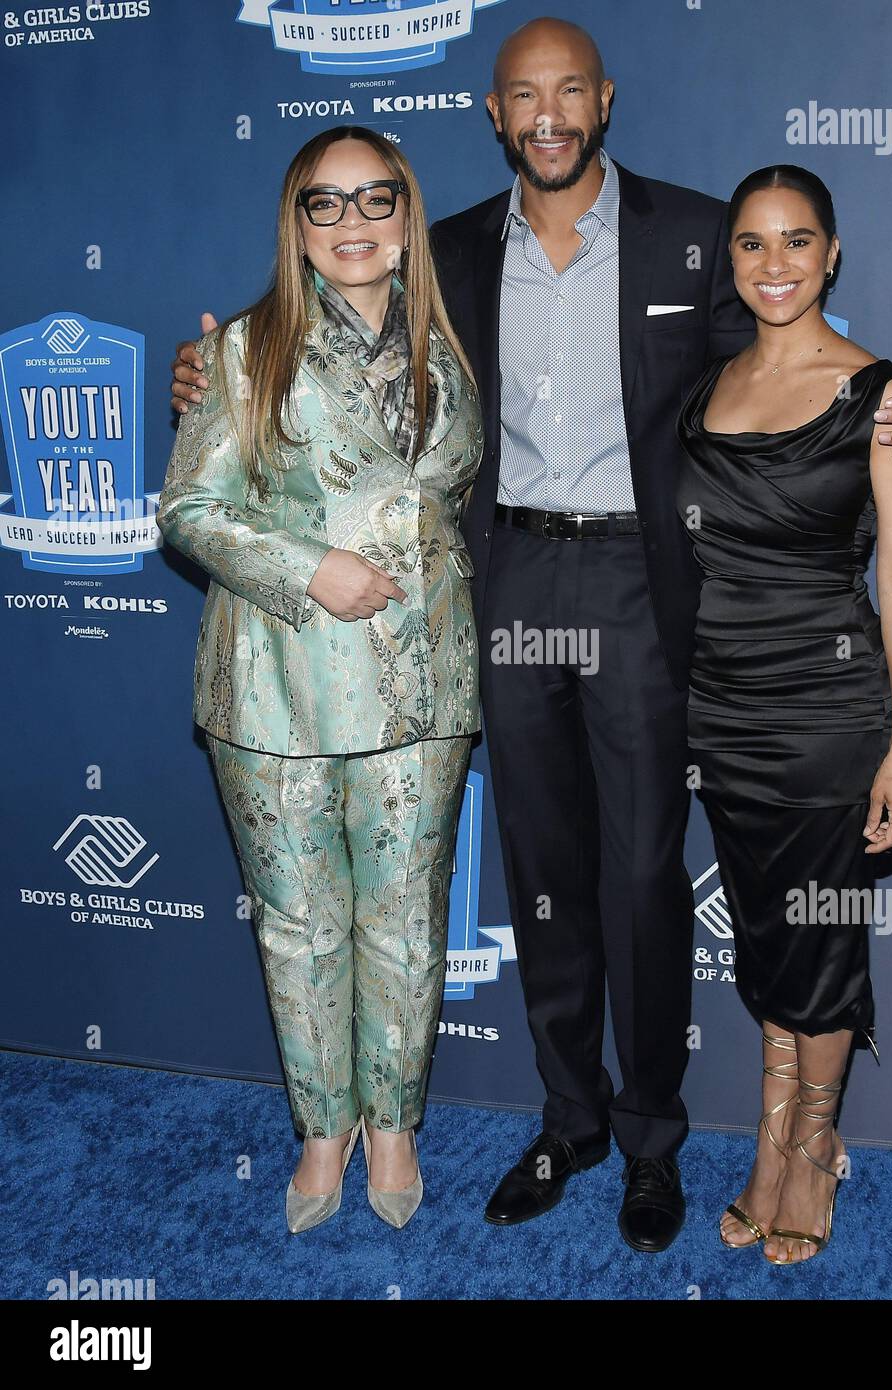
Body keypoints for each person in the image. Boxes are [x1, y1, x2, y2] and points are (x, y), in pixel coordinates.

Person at [169, 18, 892, 1253]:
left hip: (644, 592)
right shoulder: (440, 255)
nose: (545, 114)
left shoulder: (695, 235)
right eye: (520, 96)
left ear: (604, 100)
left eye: (567, 92)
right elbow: (320, 350)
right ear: (493, 116)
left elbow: (782, 362)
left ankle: (651, 1139)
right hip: (506, 581)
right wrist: (209, 375)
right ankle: (569, 1119)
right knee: (541, 869)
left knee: (642, 874)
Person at [157, 125, 482, 1235]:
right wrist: (312, 568)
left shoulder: (451, 338)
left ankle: (393, 1125)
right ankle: (321, 1130)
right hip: (276, 682)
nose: (352, 223)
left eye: (374, 199)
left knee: (404, 920)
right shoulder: (245, 347)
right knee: (299, 923)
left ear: (406, 213)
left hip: (423, 684)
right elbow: (188, 510)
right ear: (294, 226)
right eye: (324, 204)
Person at [676, 164, 892, 1264]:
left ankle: (813, 1143)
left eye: (795, 242)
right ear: (727, 261)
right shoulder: (704, 383)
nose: (771, 264)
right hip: (715, 710)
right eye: (749, 244)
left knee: (819, 934)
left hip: (827, 710)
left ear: (831, 255)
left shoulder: (887, 395)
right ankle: (772, 1124)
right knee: (767, 925)